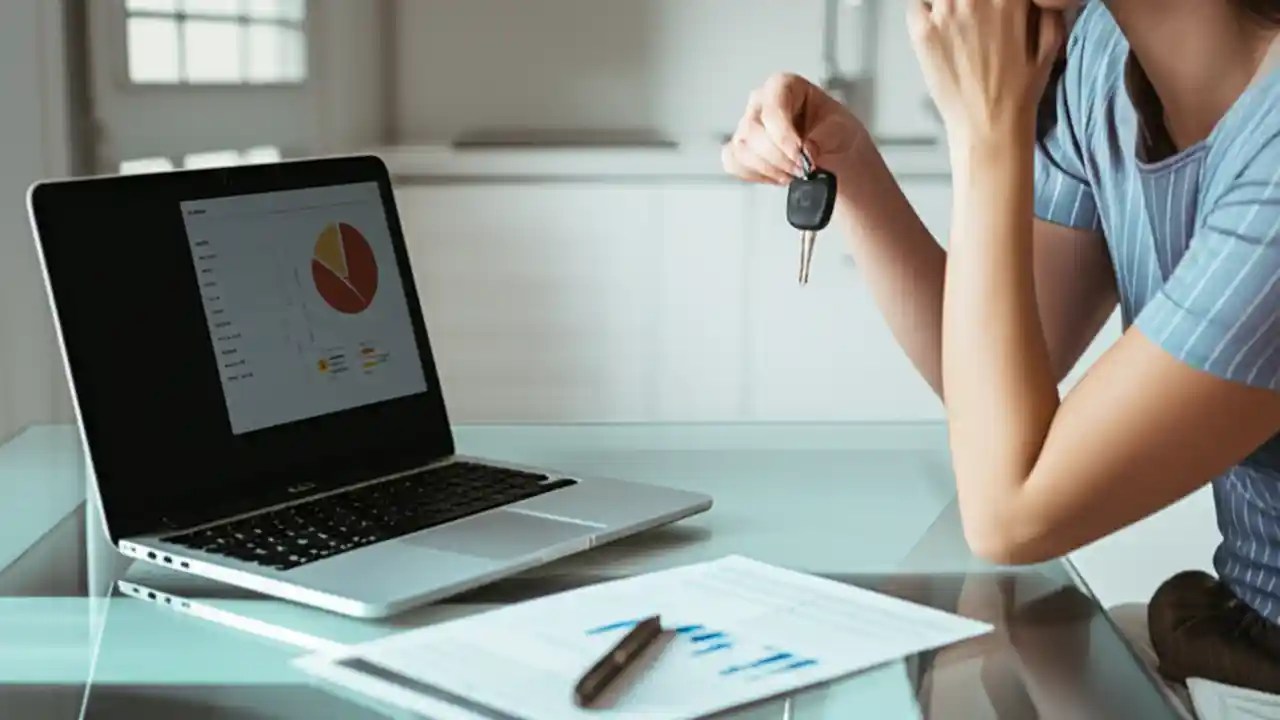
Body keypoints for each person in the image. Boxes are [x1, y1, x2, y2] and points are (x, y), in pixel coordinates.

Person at [722, 0, 1280, 706]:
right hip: (1236, 637)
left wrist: (988, 130)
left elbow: (1009, 514)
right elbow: (989, 385)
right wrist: (849, 163)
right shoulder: (1105, 60)